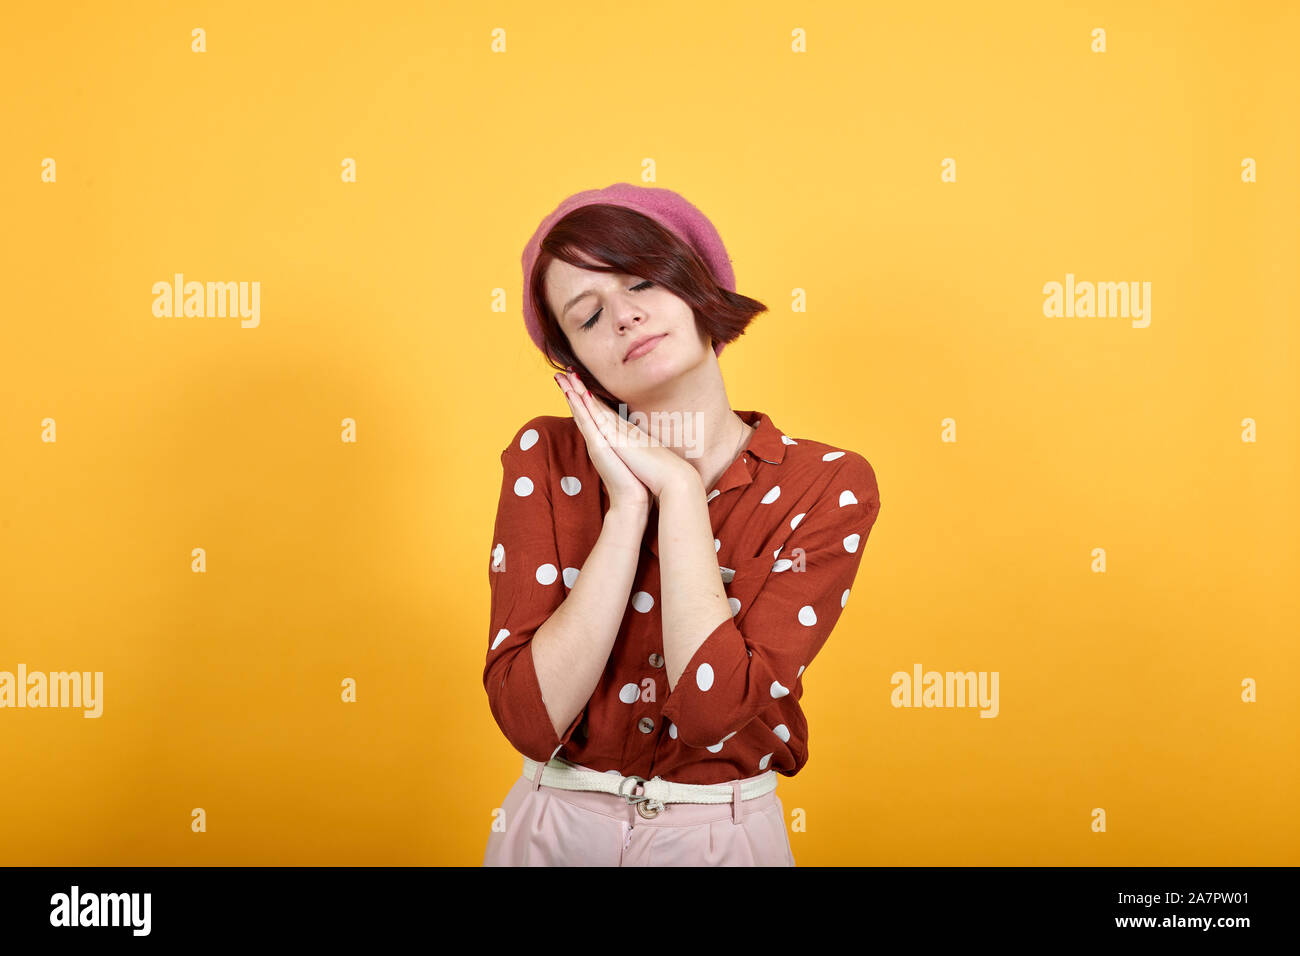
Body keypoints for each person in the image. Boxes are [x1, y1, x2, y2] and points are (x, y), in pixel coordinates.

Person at [482, 183, 882, 866]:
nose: (626, 317)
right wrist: (629, 507)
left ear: (698, 287)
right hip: (551, 829)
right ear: (576, 363)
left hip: (720, 838)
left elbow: (711, 712)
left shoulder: (828, 484)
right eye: (587, 315)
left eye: (643, 281)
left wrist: (678, 490)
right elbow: (529, 719)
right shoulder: (543, 457)